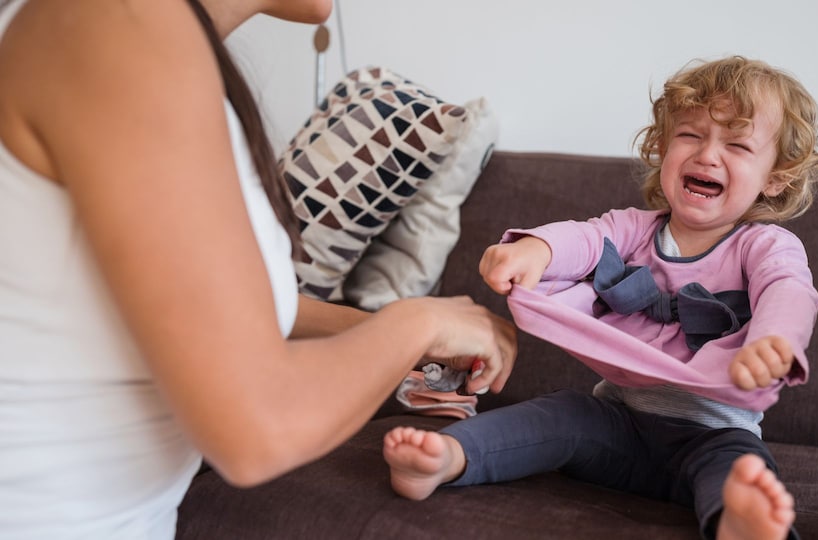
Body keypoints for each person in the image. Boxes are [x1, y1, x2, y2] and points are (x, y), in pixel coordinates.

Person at [0, 1, 516, 538]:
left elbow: (206, 312)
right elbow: (257, 429)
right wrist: (417, 323)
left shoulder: (143, 33)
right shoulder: (120, 28)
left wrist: (378, 331)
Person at [383, 56, 818, 540]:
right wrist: (537, 249)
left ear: (776, 177)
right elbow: (586, 241)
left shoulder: (764, 246)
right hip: (617, 426)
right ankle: (448, 457)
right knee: (561, 413)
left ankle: (736, 523)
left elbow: (789, 290)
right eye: (691, 135)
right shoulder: (634, 228)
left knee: (743, 467)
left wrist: (774, 339)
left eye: (737, 145)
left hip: (714, 436)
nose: (708, 156)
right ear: (661, 146)